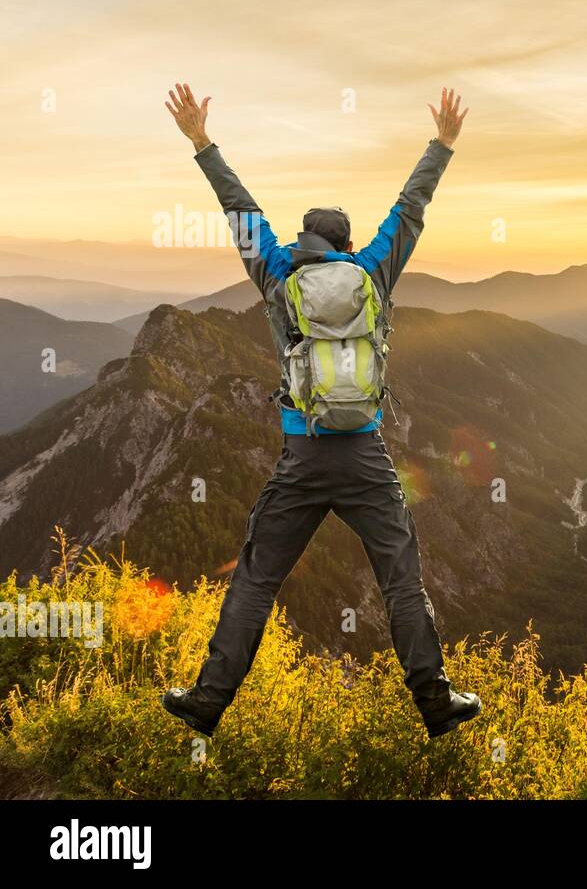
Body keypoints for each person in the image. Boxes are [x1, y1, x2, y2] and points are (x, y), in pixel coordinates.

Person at [158, 82, 480, 739]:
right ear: (347, 243)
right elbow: (410, 209)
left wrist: (201, 141)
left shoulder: (278, 275)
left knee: (257, 577)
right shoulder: (371, 274)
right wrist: (441, 145)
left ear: (307, 242)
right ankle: (435, 702)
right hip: (365, 454)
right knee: (401, 579)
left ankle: (208, 701)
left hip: (302, 457)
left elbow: (239, 209)